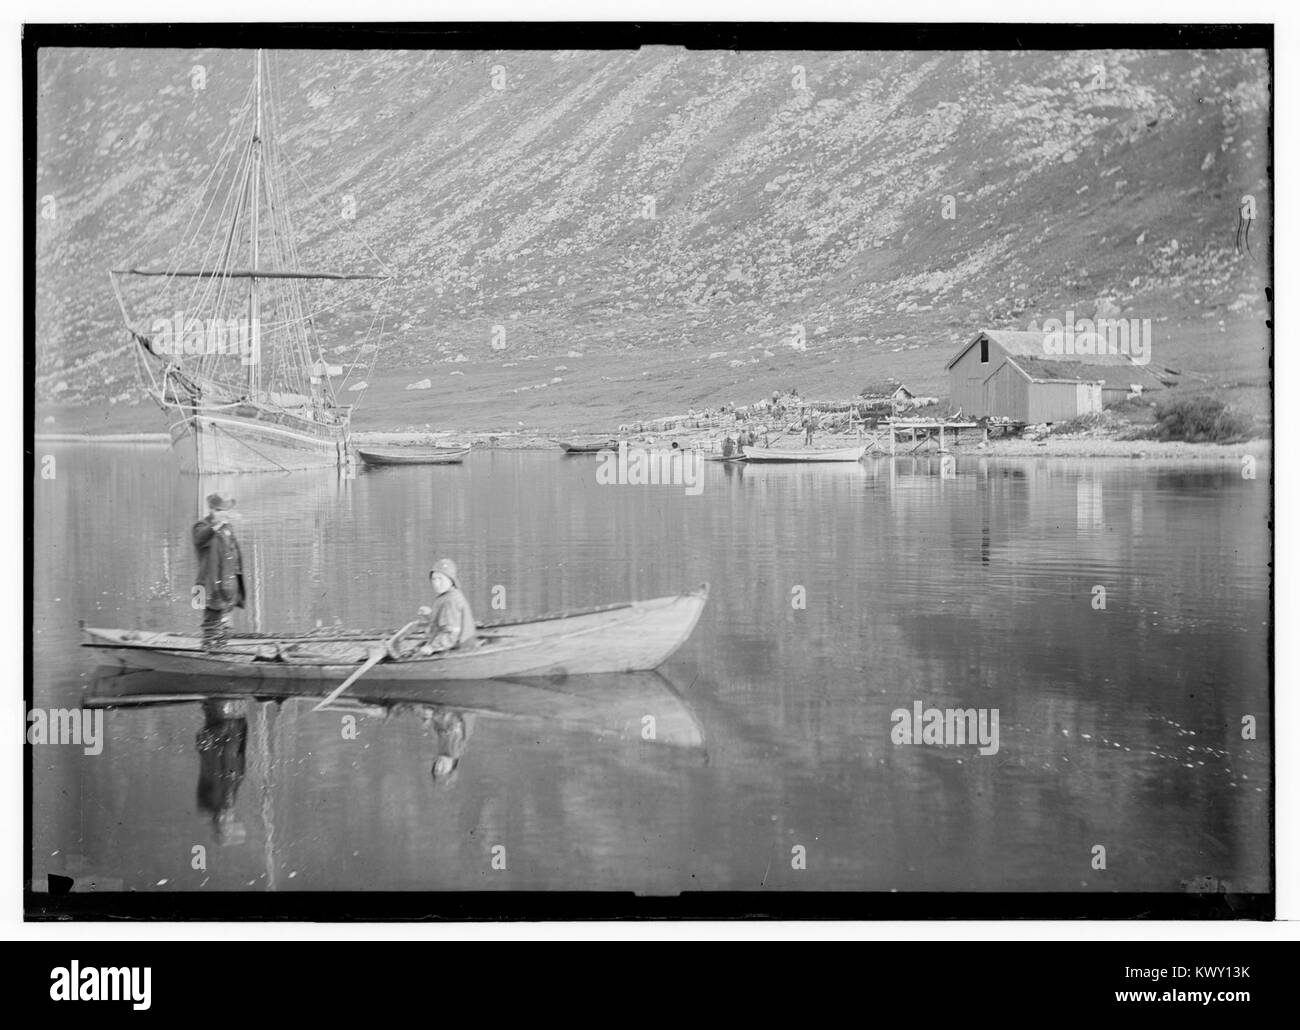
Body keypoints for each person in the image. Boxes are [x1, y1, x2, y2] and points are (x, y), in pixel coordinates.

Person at [193, 493, 246, 650]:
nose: (226, 513)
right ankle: (209, 651)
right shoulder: (200, 527)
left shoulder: (227, 528)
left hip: (226, 586)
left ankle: (221, 650)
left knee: (225, 626)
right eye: (222, 510)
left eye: (226, 510)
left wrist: (237, 587)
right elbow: (199, 539)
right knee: (211, 626)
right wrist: (215, 524)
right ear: (212, 510)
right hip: (207, 585)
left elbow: (234, 556)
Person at [420, 558, 478, 655]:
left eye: (440, 579)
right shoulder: (448, 595)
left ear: (451, 580)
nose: (436, 583)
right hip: (454, 642)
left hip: (460, 647)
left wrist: (432, 647)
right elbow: (445, 621)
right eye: (434, 579)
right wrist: (430, 615)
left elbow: (452, 632)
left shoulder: (451, 600)